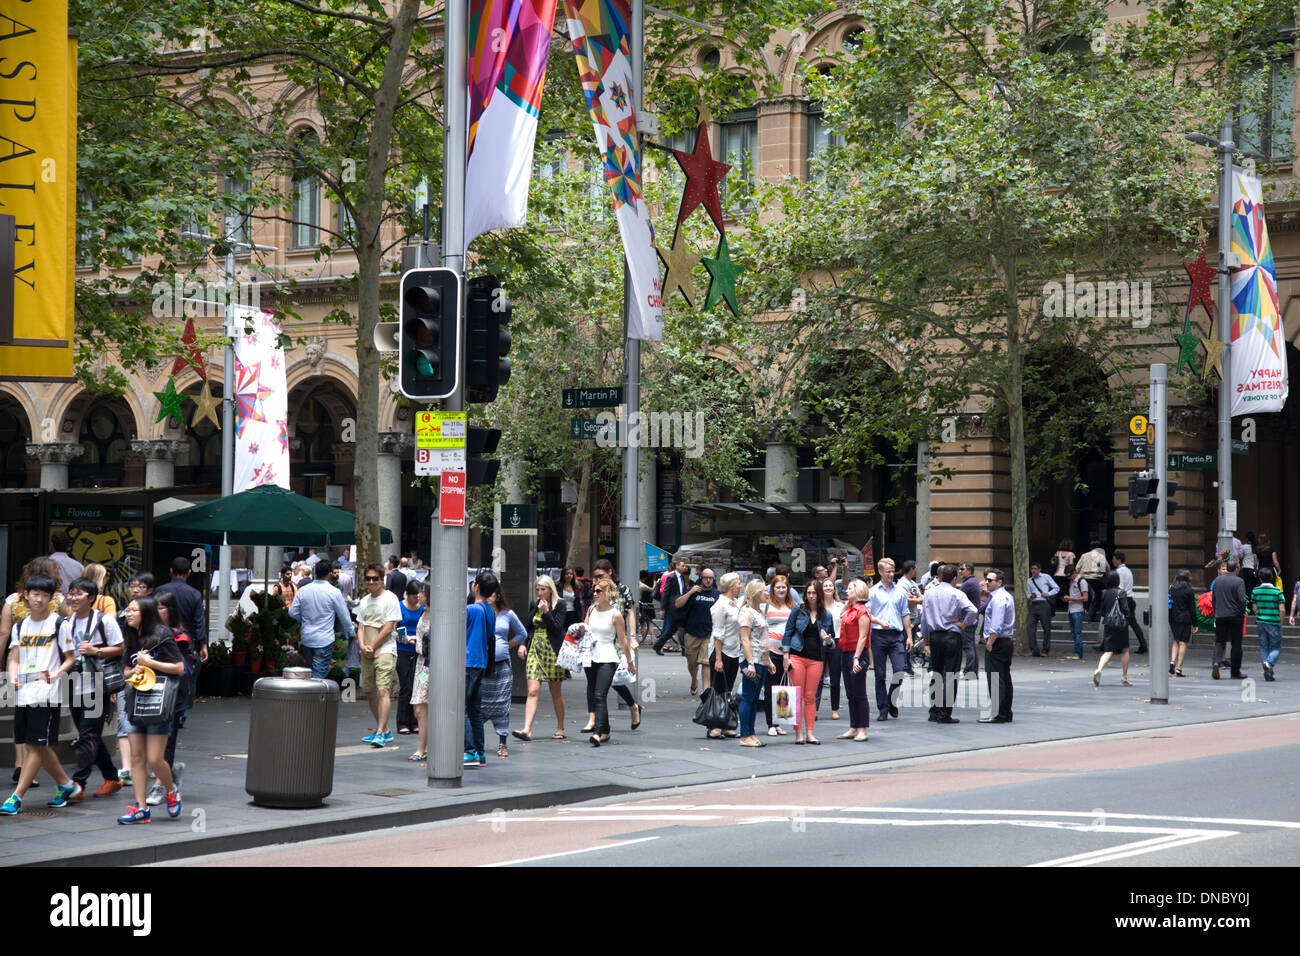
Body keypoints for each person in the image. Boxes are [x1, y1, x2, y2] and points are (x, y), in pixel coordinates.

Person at [1, 573, 79, 816]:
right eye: (35, 594)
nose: (39, 600)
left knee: (35, 746)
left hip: (47, 693)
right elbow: (14, 657)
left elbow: (71, 658)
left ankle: (16, 797)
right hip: (24, 692)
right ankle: (66, 785)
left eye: (45, 596)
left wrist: (57, 673)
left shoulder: (59, 624)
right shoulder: (20, 626)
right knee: (37, 745)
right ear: (26, 595)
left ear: (51, 598)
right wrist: (12, 675)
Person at [115, 596, 185, 824]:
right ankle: (140, 807)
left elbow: (179, 667)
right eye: (128, 610)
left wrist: (151, 664)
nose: (128, 613)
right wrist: (133, 671)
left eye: (133, 610)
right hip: (135, 700)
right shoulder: (131, 637)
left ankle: (171, 791)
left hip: (158, 701)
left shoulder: (162, 636)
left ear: (145, 612)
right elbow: (124, 670)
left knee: (155, 759)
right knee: (136, 757)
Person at [61, 576, 125, 800]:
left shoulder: (103, 620)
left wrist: (96, 651)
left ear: (90, 598)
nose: (73, 598)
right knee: (90, 735)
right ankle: (112, 777)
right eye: (71, 593)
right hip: (73, 683)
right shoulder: (67, 623)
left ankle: (78, 784)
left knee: (88, 735)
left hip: (97, 684)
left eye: (78, 594)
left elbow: (119, 647)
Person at [919, 564, 978, 723]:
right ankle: (945, 714)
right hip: (952, 636)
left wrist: (926, 639)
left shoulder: (929, 593)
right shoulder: (957, 594)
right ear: (954, 578)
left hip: (935, 637)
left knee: (937, 673)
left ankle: (934, 710)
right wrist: (964, 624)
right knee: (951, 675)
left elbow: (924, 618)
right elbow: (973, 610)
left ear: (940, 577)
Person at [514, 575, 569, 741]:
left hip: (552, 650)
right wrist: (523, 644)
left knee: (555, 692)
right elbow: (527, 627)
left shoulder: (560, 604)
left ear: (550, 589)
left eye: (542, 589)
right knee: (532, 690)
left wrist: (546, 612)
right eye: (537, 589)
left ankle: (560, 727)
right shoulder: (534, 604)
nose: (539, 593)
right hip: (534, 649)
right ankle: (526, 729)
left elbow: (557, 629)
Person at [151, 590, 192, 806]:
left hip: (171, 697)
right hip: (148, 695)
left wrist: (152, 664)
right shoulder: (145, 634)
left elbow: (182, 670)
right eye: (154, 608)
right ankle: (170, 771)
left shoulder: (179, 636)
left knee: (165, 744)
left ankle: (161, 786)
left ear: (171, 611)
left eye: (161, 608)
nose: (157, 612)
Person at [781, 581, 834, 745]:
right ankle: (798, 734)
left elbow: (831, 643)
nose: (811, 596)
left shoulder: (826, 615)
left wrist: (828, 640)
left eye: (814, 593)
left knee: (810, 697)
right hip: (797, 656)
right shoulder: (798, 610)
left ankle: (810, 733)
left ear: (819, 595)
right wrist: (785, 655)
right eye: (809, 593)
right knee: (797, 696)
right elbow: (788, 632)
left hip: (816, 659)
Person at [584, 578, 634, 747]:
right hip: (590, 656)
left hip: (608, 657)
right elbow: (584, 629)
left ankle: (598, 732)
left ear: (607, 593)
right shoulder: (591, 609)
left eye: (599, 591)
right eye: (594, 591)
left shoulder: (616, 614)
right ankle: (605, 731)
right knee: (594, 693)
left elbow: (622, 641)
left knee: (599, 694)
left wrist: (630, 662)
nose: (595, 594)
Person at [357, 564, 402, 747]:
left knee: (383, 689)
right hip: (367, 650)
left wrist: (373, 646)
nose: (371, 581)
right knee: (369, 691)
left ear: (382, 579)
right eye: (368, 578)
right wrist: (362, 646)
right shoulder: (364, 601)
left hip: (384, 650)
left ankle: (381, 732)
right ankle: (382, 729)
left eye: (375, 578)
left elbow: (389, 627)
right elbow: (360, 626)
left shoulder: (390, 598)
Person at [288, 561, 355, 679]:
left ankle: (309, 695)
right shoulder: (334, 592)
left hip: (307, 638)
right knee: (317, 676)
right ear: (329, 574)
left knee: (310, 672)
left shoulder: (303, 590)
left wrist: (304, 620)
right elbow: (344, 615)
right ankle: (313, 696)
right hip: (324, 639)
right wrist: (351, 632)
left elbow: (292, 612)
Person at [866, 558, 913, 722]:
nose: (891, 575)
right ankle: (883, 708)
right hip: (879, 635)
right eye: (888, 572)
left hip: (896, 636)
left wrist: (909, 636)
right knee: (880, 675)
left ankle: (891, 700)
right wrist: (878, 622)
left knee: (900, 671)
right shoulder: (872, 592)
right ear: (880, 572)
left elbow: (905, 613)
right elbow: (867, 614)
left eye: (893, 571)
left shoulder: (899, 591)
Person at [483, 587, 526, 757]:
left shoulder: (507, 614)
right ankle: (475, 744)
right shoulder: (481, 612)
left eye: (491, 593)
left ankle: (502, 743)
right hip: (484, 665)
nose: (488, 597)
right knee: (479, 703)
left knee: (502, 704)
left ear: (498, 595)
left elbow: (522, 633)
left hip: (502, 665)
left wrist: (507, 645)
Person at [463, 571, 498, 767]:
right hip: (481, 663)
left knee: (464, 708)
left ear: (475, 586)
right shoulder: (490, 611)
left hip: (468, 662)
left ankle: (469, 751)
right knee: (475, 710)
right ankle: (480, 751)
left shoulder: (471, 610)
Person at [706, 572, 744, 740]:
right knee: (718, 689)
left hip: (733, 651)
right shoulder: (721, 605)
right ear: (730, 586)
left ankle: (726, 724)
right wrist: (719, 659)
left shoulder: (735, 603)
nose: (740, 586)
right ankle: (712, 725)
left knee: (727, 690)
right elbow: (718, 633)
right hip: (722, 652)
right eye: (738, 583)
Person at [736, 580, 774, 748]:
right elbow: (745, 639)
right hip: (752, 660)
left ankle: (750, 733)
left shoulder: (759, 611)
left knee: (753, 698)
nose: (767, 593)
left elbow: (762, 639)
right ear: (756, 593)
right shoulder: (747, 612)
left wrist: (769, 661)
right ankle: (745, 734)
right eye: (764, 591)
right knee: (748, 697)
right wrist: (750, 662)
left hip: (761, 660)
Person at [153, 556, 208, 660]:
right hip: (186, 640)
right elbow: (199, 622)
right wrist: (203, 645)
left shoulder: (159, 591)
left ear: (171, 571)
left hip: (162, 638)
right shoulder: (195, 594)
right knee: (185, 669)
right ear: (189, 573)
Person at [837, 578, 873, 740]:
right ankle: (853, 726)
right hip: (845, 652)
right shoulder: (851, 609)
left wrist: (856, 658)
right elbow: (840, 615)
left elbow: (863, 636)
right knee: (850, 693)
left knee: (859, 692)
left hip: (856, 654)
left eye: (850, 589)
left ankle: (862, 729)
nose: (846, 591)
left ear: (858, 591)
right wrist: (848, 602)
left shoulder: (862, 611)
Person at [978, 569, 1015, 723]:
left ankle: (998, 713)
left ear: (999, 582)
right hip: (1004, 641)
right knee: (1004, 677)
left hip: (998, 641)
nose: (986, 582)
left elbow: (997, 624)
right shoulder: (1005, 596)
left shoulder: (998, 599)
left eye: (990, 580)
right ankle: (1005, 712)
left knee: (995, 678)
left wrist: (990, 641)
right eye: (986, 579)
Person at [675, 566, 719, 696]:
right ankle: (694, 680)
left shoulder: (717, 594)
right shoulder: (693, 591)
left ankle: (706, 690)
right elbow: (677, 604)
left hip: (709, 634)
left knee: (706, 663)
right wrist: (690, 593)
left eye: (710, 578)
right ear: (701, 578)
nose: (708, 580)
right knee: (692, 663)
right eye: (705, 578)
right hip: (691, 633)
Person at [762, 575, 796, 736]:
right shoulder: (767, 606)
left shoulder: (793, 606)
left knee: (783, 688)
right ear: (772, 589)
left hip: (787, 653)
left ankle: (779, 722)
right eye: (778, 587)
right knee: (770, 688)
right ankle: (771, 723)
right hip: (771, 653)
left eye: (784, 587)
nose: (781, 590)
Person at [394, 579, 424, 735]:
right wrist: (404, 637)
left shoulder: (423, 609)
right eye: (414, 597)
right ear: (407, 594)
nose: (416, 600)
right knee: (406, 686)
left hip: (418, 650)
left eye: (418, 597)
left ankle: (415, 721)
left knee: (417, 686)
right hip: (403, 648)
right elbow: (398, 627)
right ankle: (402, 722)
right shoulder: (399, 607)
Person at [1092, 572, 1132, 686]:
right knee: (1125, 650)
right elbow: (1125, 609)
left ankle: (1099, 669)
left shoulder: (1104, 593)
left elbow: (1103, 611)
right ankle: (1124, 677)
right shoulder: (1122, 592)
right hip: (1120, 625)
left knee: (1108, 650)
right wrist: (1127, 614)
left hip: (1109, 624)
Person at [1210, 559, 1247, 680]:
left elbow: (1214, 598)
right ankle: (1235, 672)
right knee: (1236, 643)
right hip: (1235, 615)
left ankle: (1216, 662)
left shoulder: (1217, 581)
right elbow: (1242, 600)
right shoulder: (1239, 581)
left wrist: (1217, 612)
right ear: (1236, 569)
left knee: (1220, 641)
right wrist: (1242, 612)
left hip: (1220, 615)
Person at [815, 577, 846, 718]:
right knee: (818, 678)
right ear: (821, 590)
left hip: (837, 642)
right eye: (825, 586)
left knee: (835, 677)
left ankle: (834, 709)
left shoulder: (841, 606)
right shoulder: (817, 606)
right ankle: (814, 709)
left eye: (830, 586)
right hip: (819, 643)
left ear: (834, 589)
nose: (828, 588)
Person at [1249, 569, 1285, 682]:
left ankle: (1268, 670)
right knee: (1275, 647)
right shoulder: (1277, 591)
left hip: (1261, 622)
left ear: (1260, 578)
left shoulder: (1256, 591)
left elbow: (1254, 608)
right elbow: (1282, 609)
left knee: (1264, 647)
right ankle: (1269, 664)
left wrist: (1259, 614)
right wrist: (1280, 621)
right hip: (1274, 622)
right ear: (1271, 578)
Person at [409, 587, 431, 762]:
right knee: (419, 708)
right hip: (421, 664)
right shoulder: (423, 613)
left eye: (422, 592)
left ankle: (422, 748)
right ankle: (423, 747)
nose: (419, 595)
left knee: (422, 708)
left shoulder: (438, 615)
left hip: (430, 665)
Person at [1111, 551, 1147, 653]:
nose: (1112, 561)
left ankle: (1119, 647)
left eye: (1114, 559)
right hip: (1130, 599)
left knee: (1120, 624)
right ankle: (1142, 645)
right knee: (1132, 624)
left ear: (1118, 560)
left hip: (1124, 600)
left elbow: (1120, 588)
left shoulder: (1119, 572)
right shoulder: (1128, 570)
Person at [653, 559, 690, 654]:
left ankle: (658, 646)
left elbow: (682, 591)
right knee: (681, 626)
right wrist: (663, 608)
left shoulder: (681, 577)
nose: (684, 567)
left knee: (672, 628)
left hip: (680, 605)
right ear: (677, 566)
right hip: (673, 606)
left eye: (684, 566)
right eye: (682, 565)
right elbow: (666, 592)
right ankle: (684, 648)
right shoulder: (671, 577)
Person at [1025, 561, 1059, 656]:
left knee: (1046, 627)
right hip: (1034, 604)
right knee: (1030, 627)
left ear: (1039, 570)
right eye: (1032, 569)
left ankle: (1045, 650)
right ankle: (1034, 649)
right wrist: (1031, 596)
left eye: (1035, 569)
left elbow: (1056, 588)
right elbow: (1027, 594)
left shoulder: (1046, 577)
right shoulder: (1029, 580)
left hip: (1044, 603)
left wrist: (1048, 594)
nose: (1033, 571)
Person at [1168, 569, 1196, 678]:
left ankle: (1172, 661)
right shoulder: (1189, 591)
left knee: (1175, 641)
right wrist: (1195, 623)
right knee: (1183, 643)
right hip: (1185, 618)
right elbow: (1192, 609)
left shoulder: (1172, 589)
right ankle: (1179, 668)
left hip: (1173, 618)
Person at [899, 560, 924, 674]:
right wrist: (916, 600)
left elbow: (921, 598)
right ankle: (905, 667)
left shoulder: (913, 583)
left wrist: (914, 599)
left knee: (911, 642)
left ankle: (908, 665)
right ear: (911, 569)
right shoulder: (902, 584)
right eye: (915, 568)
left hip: (914, 616)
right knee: (906, 641)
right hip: (906, 617)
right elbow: (905, 601)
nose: (916, 570)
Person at [958, 562, 982, 678]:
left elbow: (958, 599)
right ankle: (973, 671)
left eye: (962, 569)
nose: (960, 571)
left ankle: (969, 671)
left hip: (968, 619)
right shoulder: (973, 582)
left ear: (969, 570)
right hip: (972, 618)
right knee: (971, 644)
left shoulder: (968, 584)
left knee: (968, 645)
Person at [1076, 541, 1108, 622]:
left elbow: (1077, 568)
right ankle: (1091, 615)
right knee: (1097, 597)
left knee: (1086, 596)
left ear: (1090, 547)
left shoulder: (1084, 555)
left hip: (1083, 579)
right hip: (1095, 578)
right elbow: (1104, 569)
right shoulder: (1101, 556)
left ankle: (1085, 611)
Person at [1064, 564, 1089, 660]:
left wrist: (1070, 598)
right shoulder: (1071, 582)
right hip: (1071, 609)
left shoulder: (1081, 582)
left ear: (1074, 573)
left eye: (1069, 575)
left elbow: (1085, 597)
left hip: (1078, 610)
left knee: (1077, 633)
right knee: (1074, 632)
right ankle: (1076, 652)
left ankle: (1078, 653)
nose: (1068, 577)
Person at [1051, 539, 1076, 608]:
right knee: (1067, 590)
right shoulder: (1071, 554)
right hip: (1066, 575)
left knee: (1056, 590)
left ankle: (1053, 605)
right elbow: (1071, 565)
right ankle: (1065, 605)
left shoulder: (1057, 553)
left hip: (1057, 574)